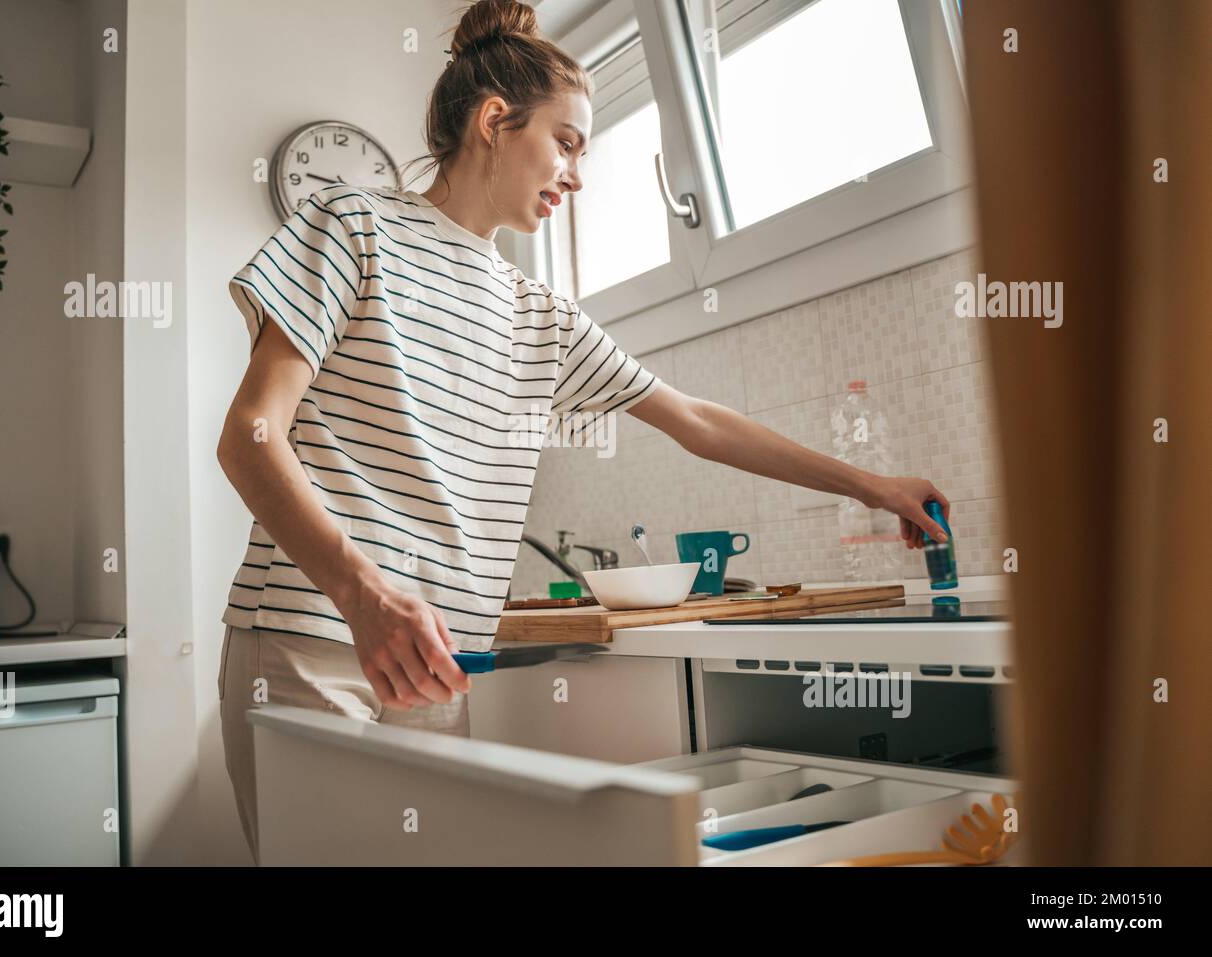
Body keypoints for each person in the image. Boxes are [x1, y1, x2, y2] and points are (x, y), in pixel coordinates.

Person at [215, 0, 952, 863]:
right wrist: (361, 594)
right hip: (312, 639)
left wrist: (874, 486)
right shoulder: (355, 225)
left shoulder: (541, 315)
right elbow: (249, 433)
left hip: (438, 663)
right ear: (494, 120)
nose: (576, 175)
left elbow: (697, 420)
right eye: (565, 143)